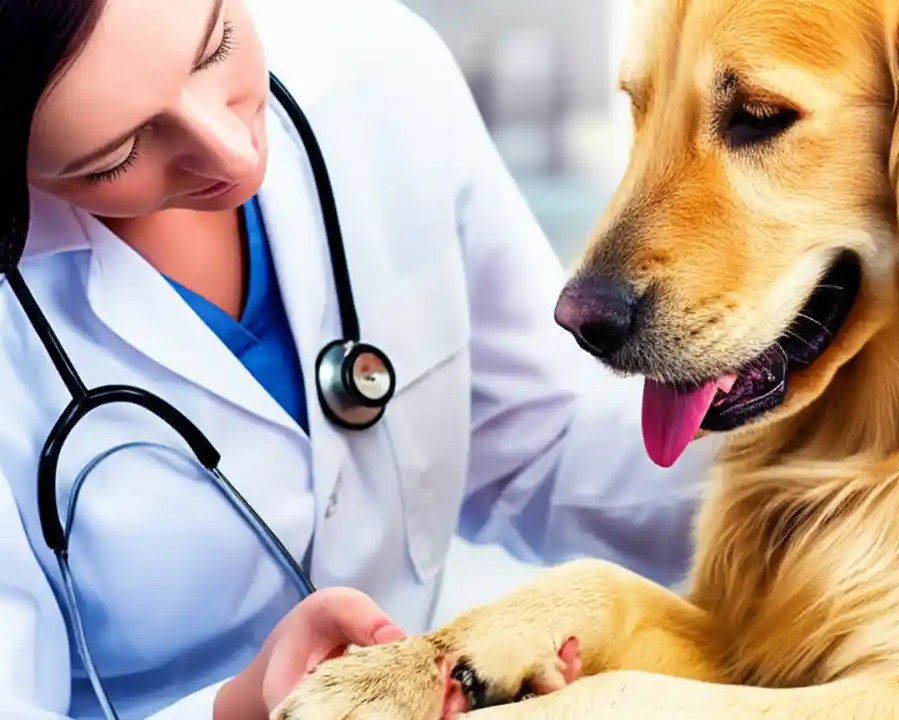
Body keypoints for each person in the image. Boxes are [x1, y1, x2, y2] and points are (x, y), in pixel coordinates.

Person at [0, 0, 719, 718]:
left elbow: (537, 440)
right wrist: (242, 708)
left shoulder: (369, 63)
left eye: (216, 45)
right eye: (116, 156)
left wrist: (817, 467)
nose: (235, 155)